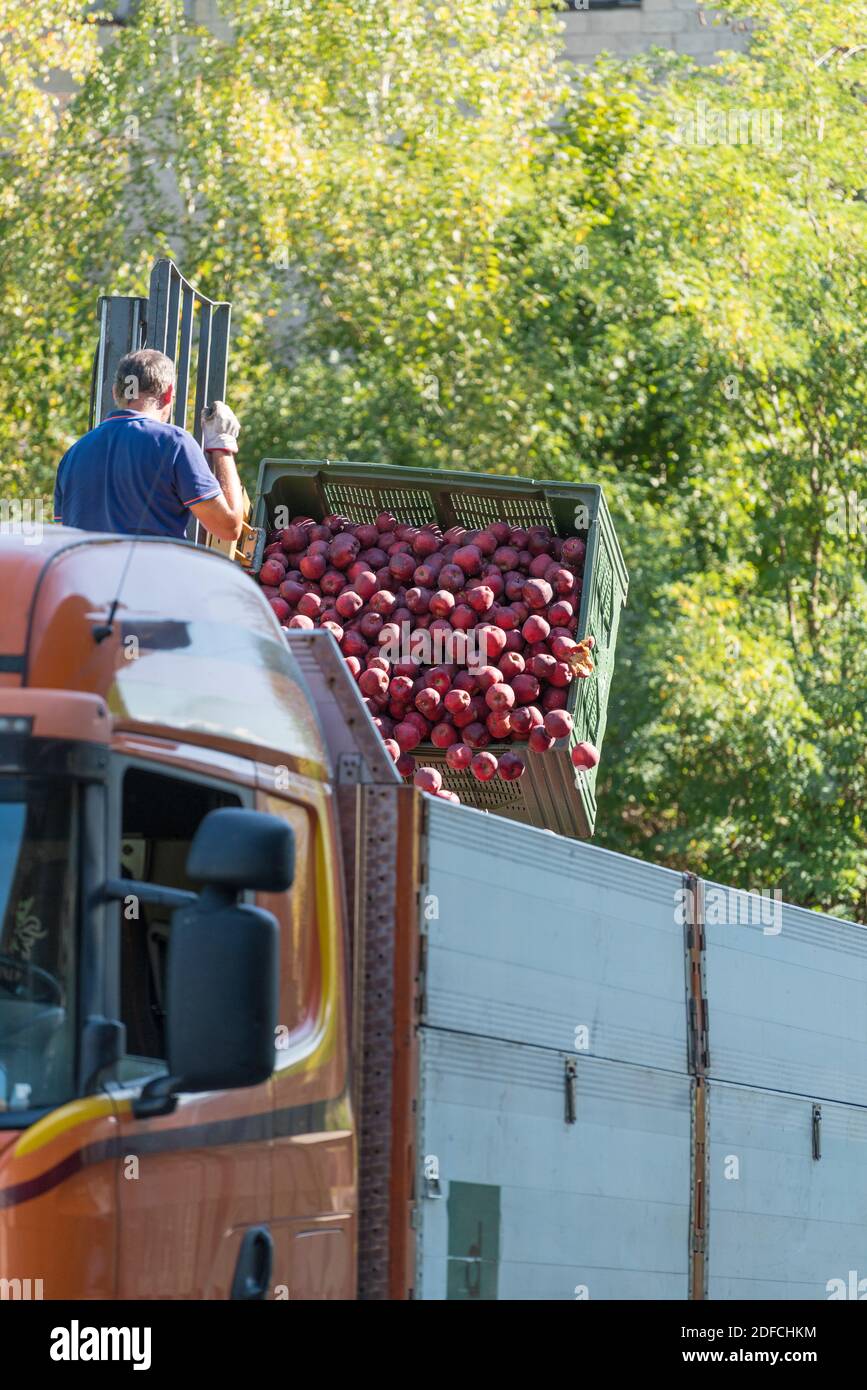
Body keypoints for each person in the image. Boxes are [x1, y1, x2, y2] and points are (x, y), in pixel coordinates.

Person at [54, 348, 244, 542]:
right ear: (169, 393)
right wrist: (222, 445)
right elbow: (229, 528)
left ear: (114, 393)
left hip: (84, 571)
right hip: (151, 571)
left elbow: (64, 535)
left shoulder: (72, 455)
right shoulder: (175, 443)